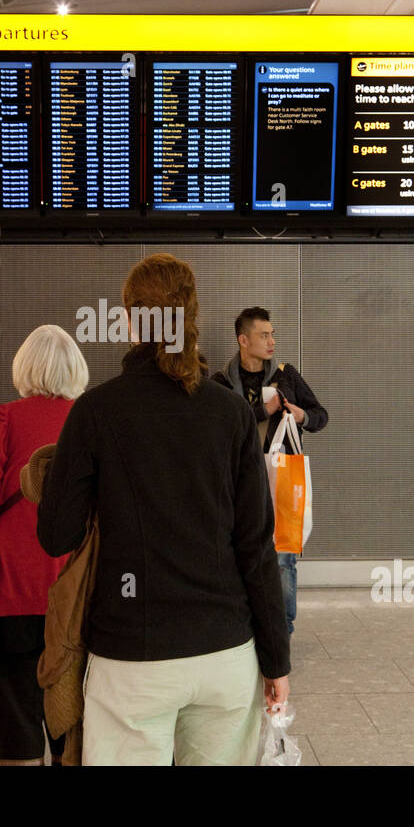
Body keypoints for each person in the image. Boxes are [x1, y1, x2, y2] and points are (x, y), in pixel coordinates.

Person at [37, 254, 290, 766]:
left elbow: (55, 534)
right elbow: (256, 547)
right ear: (194, 317)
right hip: (225, 653)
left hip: (132, 658)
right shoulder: (232, 415)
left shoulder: (96, 411)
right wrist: (276, 661)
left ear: (131, 321)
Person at [0, 325, 88, 765]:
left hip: (4, 595)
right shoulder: (92, 422)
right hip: (73, 597)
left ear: (24, 368)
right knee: (73, 733)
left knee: (18, 730)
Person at [212, 306, 327, 636]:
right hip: (238, 481)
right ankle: (243, 627)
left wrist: (302, 416)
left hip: (282, 479)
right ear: (243, 340)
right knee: (237, 553)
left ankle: (282, 630)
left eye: (273, 333)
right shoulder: (221, 382)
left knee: (282, 556)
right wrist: (265, 409)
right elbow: (219, 430)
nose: (272, 340)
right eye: (264, 335)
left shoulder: (286, 375)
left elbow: (321, 415)